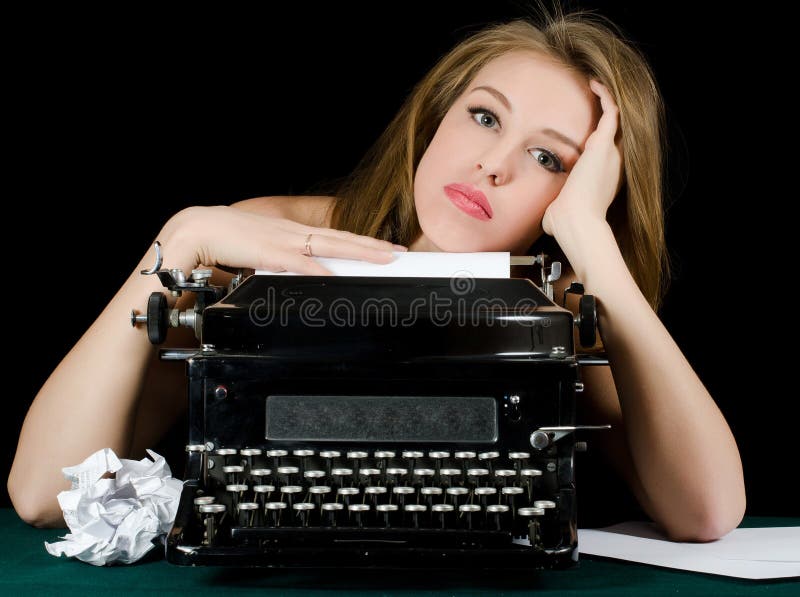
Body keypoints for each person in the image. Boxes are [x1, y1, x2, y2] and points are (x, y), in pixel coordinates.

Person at [8, 7, 745, 540]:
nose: (493, 165)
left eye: (549, 158)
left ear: (580, 191)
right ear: (435, 118)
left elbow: (708, 510)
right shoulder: (253, 240)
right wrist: (181, 235)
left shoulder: (560, 310)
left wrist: (594, 244)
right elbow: (44, 491)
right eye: (485, 117)